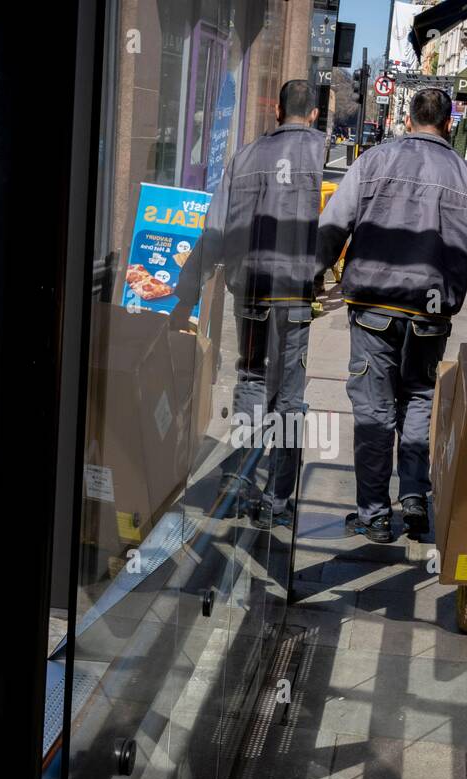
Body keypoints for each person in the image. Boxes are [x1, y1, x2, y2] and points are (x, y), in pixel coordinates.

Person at [316, 87, 467, 544]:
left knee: (374, 409)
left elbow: (333, 224)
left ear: (409, 119)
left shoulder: (372, 161)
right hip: (431, 313)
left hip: (375, 308)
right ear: (448, 124)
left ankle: (373, 512)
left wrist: (309, 277)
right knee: (418, 400)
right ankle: (413, 499)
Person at [172, 80, 326, 530]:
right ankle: (279, 499)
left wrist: (187, 294)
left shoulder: (243, 156)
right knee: (290, 397)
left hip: (252, 291)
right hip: (294, 294)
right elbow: (336, 226)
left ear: (276, 109)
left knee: (252, 382)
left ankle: (237, 481)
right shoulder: (323, 156)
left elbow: (216, 229)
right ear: (313, 114)